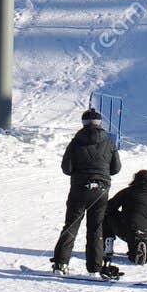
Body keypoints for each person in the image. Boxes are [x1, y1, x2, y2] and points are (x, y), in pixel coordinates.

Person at [52, 107, 121, 278]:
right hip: (101, 190)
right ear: (100, 123)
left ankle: (60, 264)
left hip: (79, 189)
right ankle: (94, 268)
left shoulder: (76, 142)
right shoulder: (108, 142)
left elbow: (67, 168)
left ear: (83, 123)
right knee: (96, 229)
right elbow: (116, 168)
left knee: (71, 226)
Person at [105, 168, 147, 266]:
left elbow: (109, 206)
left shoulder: (128, 192)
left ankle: (108, 246)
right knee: (138, 238)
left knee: (107, 214)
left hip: (130, 230)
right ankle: (143, 247)